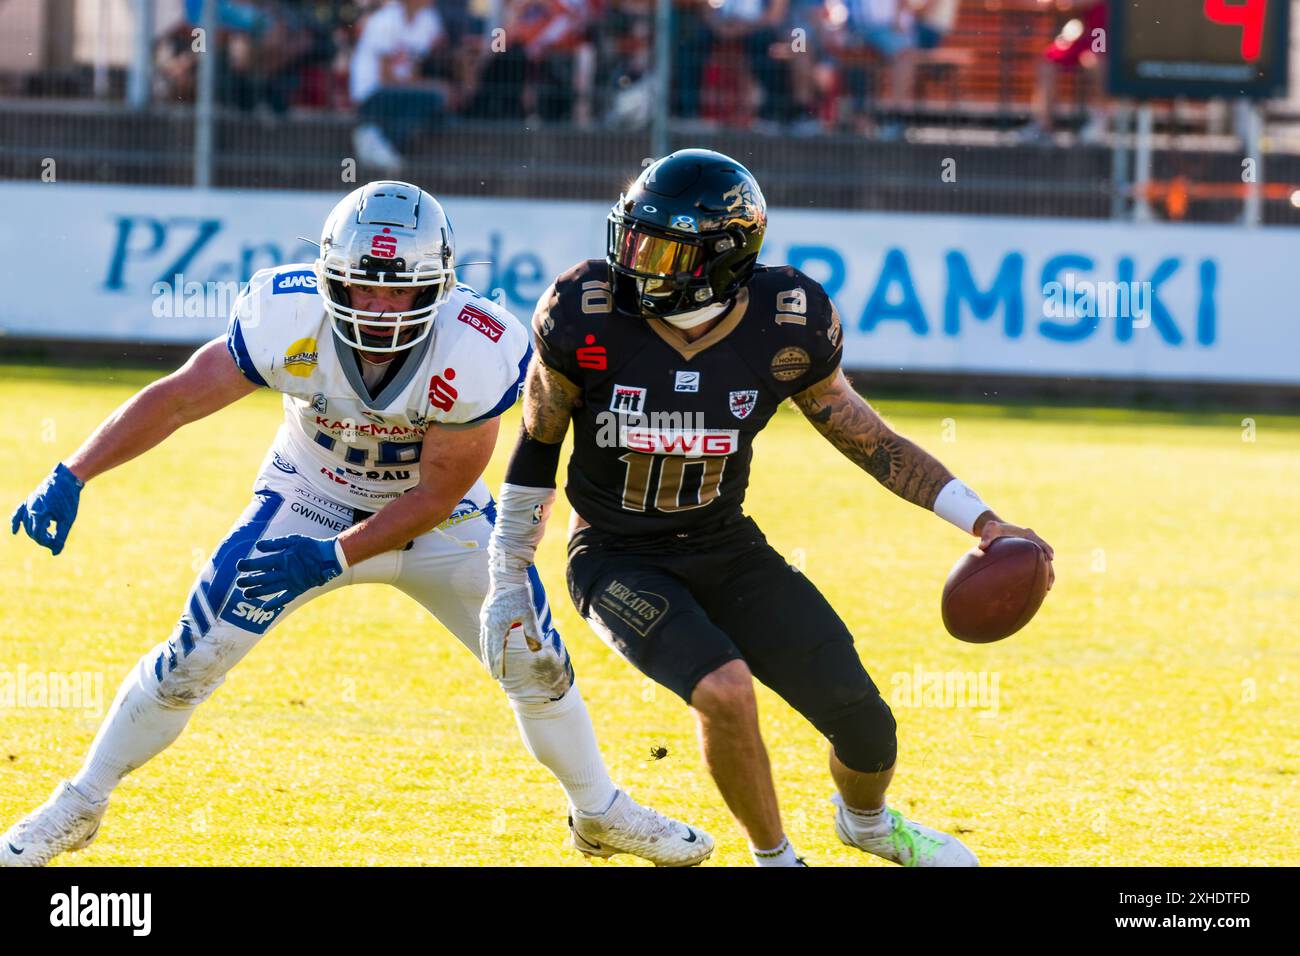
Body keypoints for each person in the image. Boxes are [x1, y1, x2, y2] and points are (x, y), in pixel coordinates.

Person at [2, 181, 713, 868]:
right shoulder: (287, 314)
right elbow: (179, 398)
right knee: (192, 654)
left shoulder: (477, 345)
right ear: (329, 278)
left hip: (441, 520)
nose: (377, 306)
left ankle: (598, 811)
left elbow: (437, 493)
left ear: (437, 285)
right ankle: (78, 805)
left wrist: (332, 557)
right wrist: (74, 471)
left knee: (532, 659)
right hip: (308, 492)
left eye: (397, 288)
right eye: (362, 286)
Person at [480, 149, 1055, 867]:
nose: (635, 263)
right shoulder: (584, 309)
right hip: (614, 555)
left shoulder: (787, 320)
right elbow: (538, 444)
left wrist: (984, 521)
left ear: (722, 258)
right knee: (724, 689)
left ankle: (868, 824)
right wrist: (507, 576)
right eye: (632, 238)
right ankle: (775, 858)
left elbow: (870, 443)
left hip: (725, 546)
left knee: (866, 723)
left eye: (659, 249)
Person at [349, 0, 450, 171]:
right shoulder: (385, 20)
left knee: (436, 103)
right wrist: (431, 87)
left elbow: (415, 68)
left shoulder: (427, 19)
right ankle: (379, 139)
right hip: (372, 94)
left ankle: (378, 139)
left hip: (400, 90)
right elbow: (385, 78)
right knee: (433, 97)